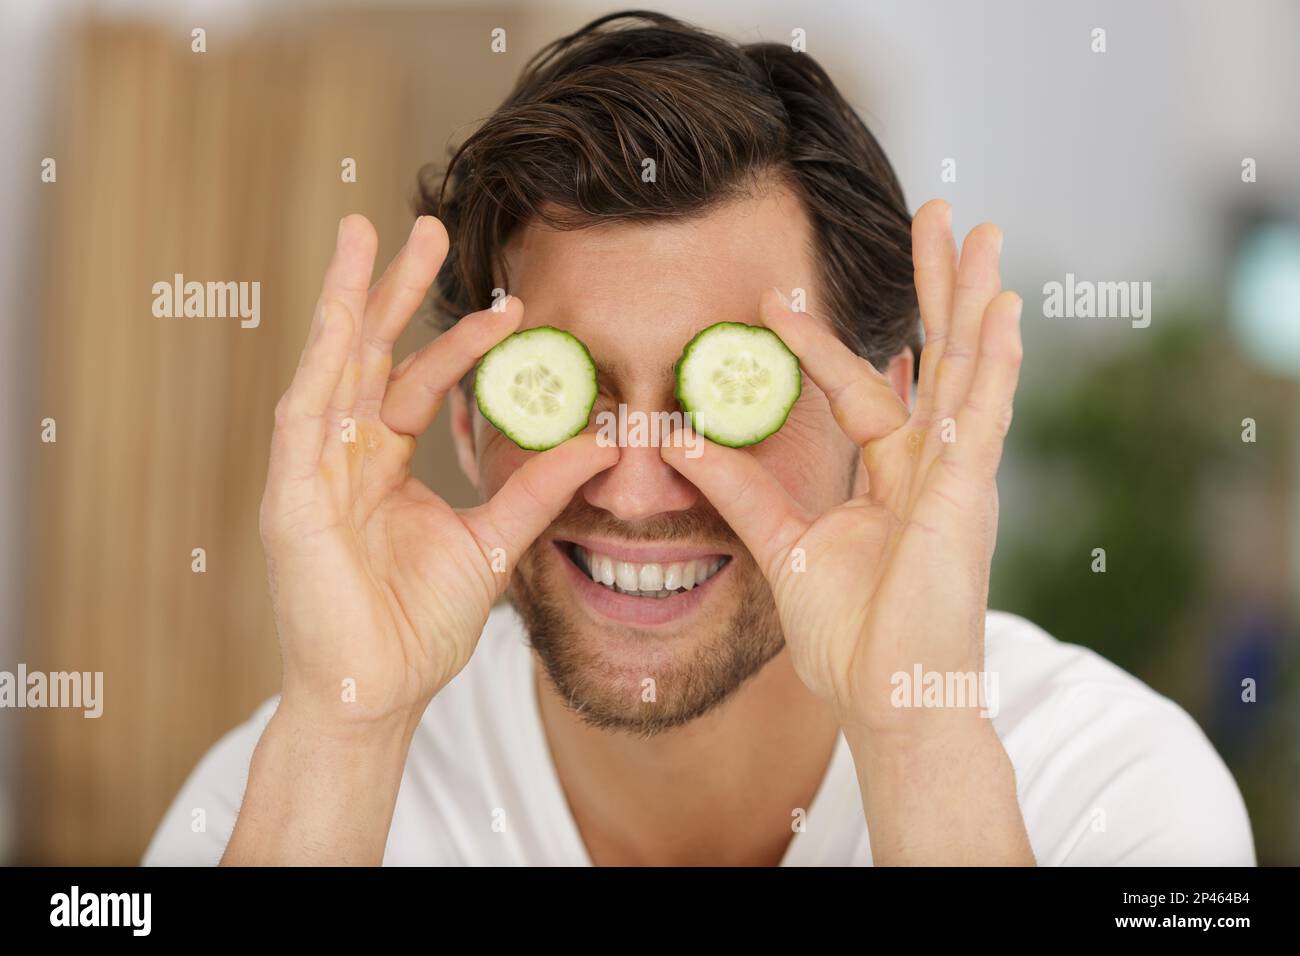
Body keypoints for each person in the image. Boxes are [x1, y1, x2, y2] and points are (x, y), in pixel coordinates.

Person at [144, 11, 1254, 866]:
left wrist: (917, 739)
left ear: (885, 418)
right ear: (476, 417)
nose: (634, 486)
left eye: (729, 391)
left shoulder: (1112, 783)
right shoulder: (282, 792)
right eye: (565, 390)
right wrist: (349, 732)